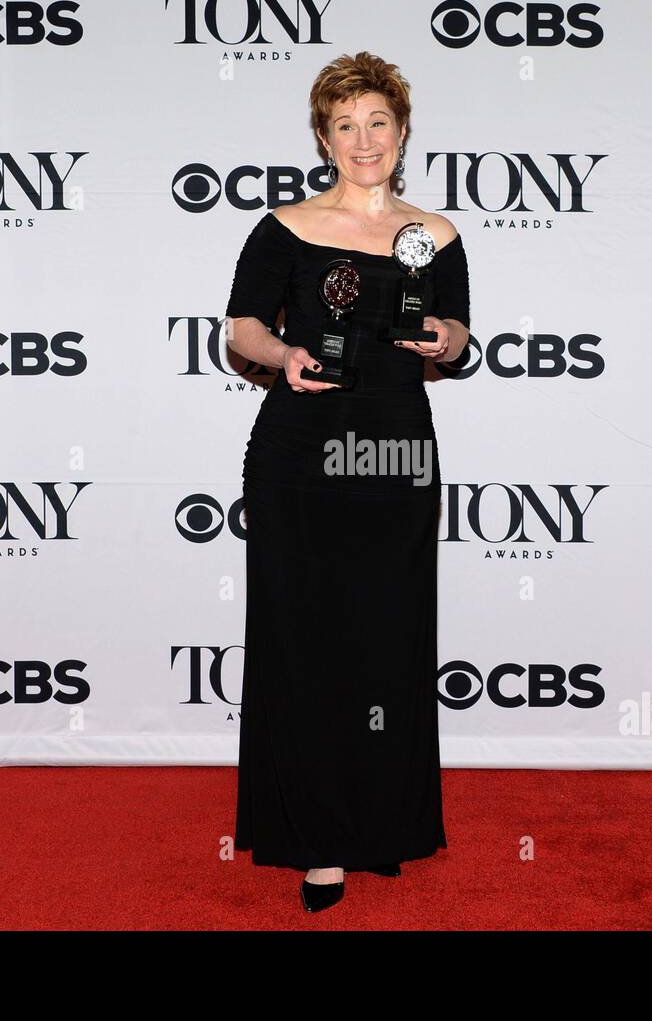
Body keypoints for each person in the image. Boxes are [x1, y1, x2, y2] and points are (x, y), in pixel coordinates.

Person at [223, 51, 471, 913]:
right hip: (299, 455)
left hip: (396, 452)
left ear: (402, 132)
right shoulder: (282, 227)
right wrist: (283, 352)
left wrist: (442, 336)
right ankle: (318, 838)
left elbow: (460, 336)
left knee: (388, 634)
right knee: (305, 637)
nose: (363, 139)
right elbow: (241, 329)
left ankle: (384, 820)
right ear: (324, 136)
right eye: (345, 124)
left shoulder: (433, 234)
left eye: (378, 122)